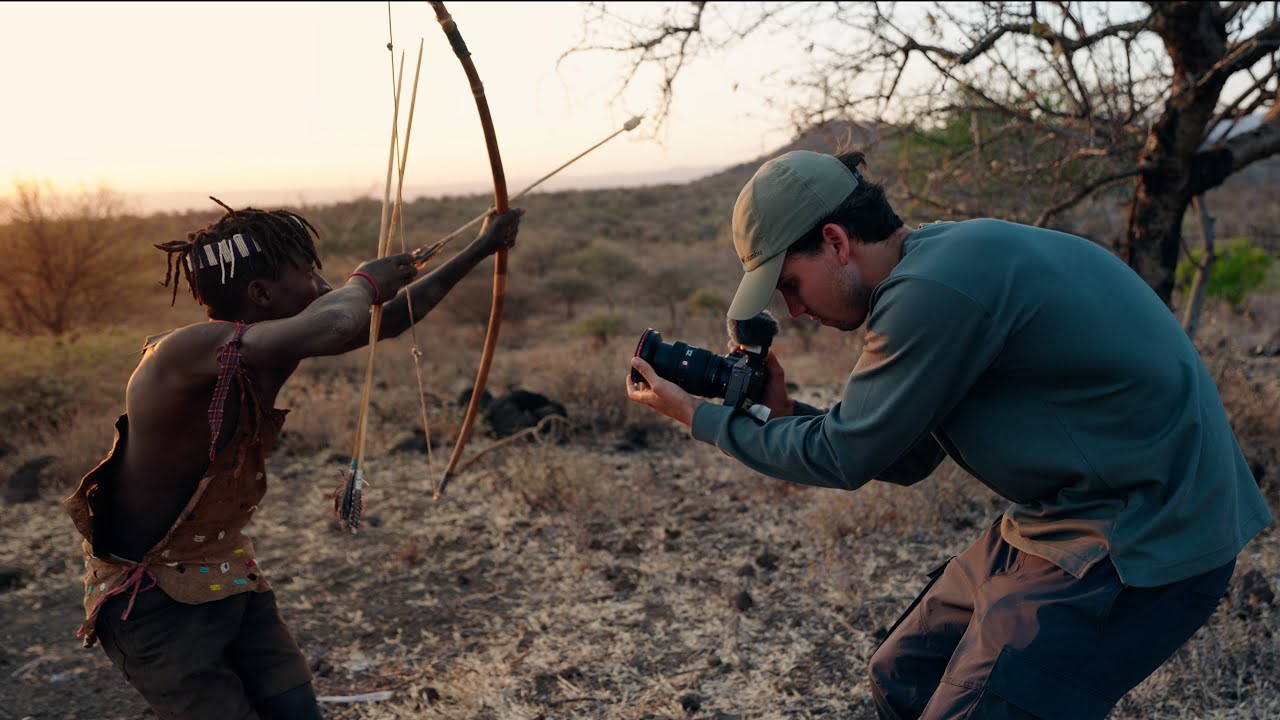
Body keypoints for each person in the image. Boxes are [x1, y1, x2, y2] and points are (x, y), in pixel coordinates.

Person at [626, 150, 1272, 718]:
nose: (793, 309)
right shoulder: (942, 261)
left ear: (836, 241)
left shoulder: (932, 288)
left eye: (790, 284)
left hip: (1143, 536)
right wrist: (784, 409)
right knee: (905, 674)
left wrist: (701, 417)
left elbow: (844, 456)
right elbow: (906, 457)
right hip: (1063, 519)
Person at [63, 198, 521, 720]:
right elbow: (335, 321)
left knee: (296, 708)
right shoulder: (187, 351)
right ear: (261, 294)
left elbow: (386, 321)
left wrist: (481, 247)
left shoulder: (269, 346)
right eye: (308, 274)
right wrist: (364, 283)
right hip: (151, 601)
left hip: (227, 575)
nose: (323, 287)